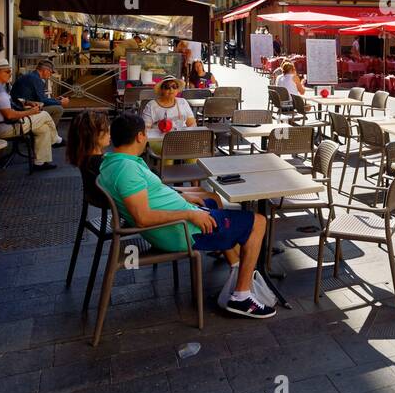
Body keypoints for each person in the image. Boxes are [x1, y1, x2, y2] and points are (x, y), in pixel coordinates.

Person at [98, 113, 274, 319]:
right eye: (145, 134)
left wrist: (184, 195)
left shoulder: (114, 162)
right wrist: (190, 214)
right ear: (139, 136)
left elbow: (153, 192)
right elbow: (143, 218)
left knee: (211, 199)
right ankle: (241, 296)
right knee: (258, 222)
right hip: (180, 231)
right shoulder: (127, 170)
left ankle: (237, 268)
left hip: (177, 223)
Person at [0, 58, 60, 170]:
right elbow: (9, 115)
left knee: (43, 128)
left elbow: (9, 105)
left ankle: (40, 163)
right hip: (7, 128)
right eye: (7, 72)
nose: (10, 74)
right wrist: (31, 111)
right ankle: (56, 140)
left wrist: (27, 103)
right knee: (44, 115)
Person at [11, 59, 70, 131]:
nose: (50, 75)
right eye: (50, 72)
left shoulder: (31, 76)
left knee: (55, 106)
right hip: (23, 109)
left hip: (19, 106)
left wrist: (55, 100)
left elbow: (41, 98)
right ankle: (51, 133)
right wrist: (60, 102)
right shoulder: (36, 79)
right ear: (45, 70)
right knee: (58, 109)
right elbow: (42, 101)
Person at [67, 110, 111, 179]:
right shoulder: (102, 165)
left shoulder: (85, 157)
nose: (109, 134)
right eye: (106, 130)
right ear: (93, 134)